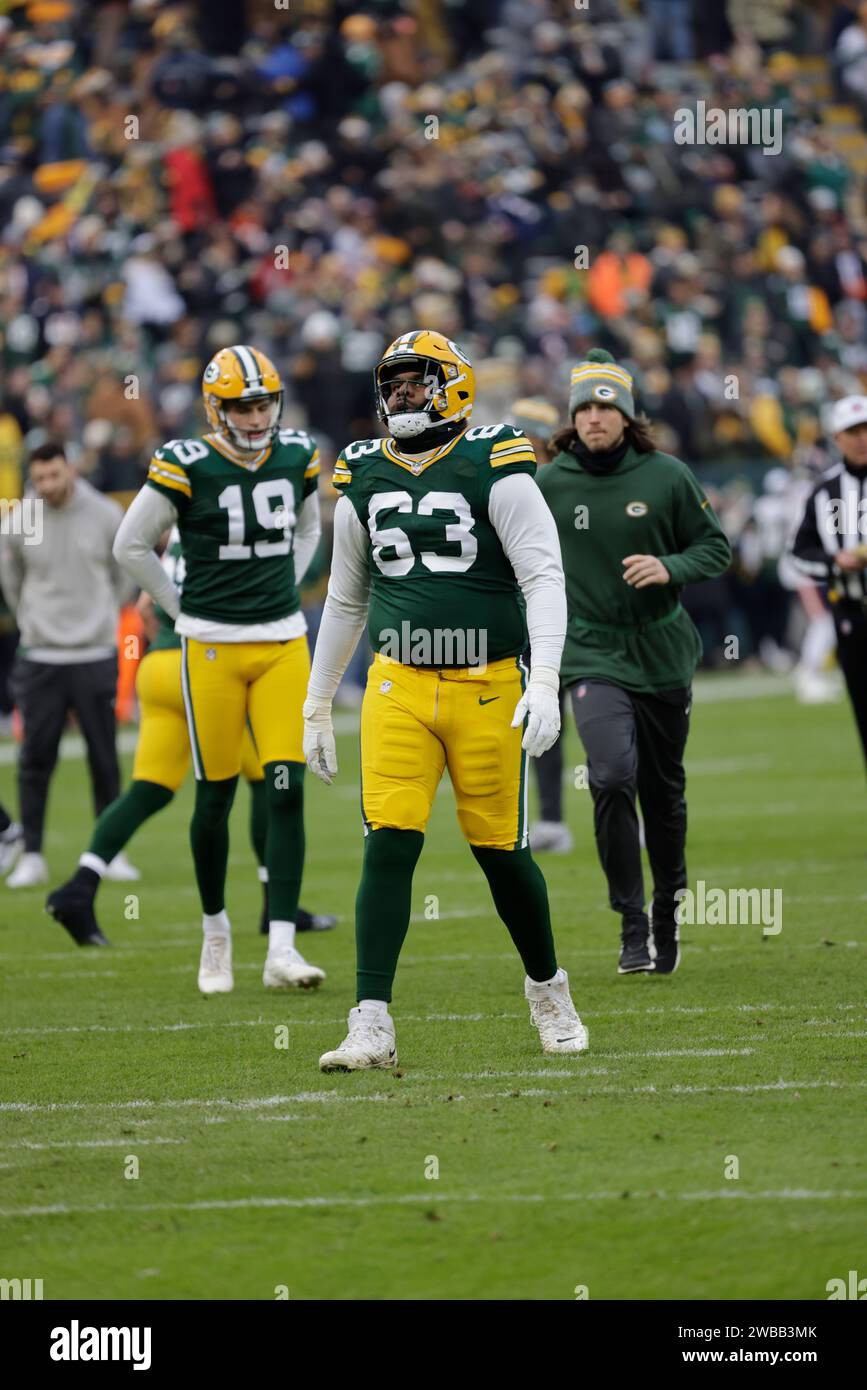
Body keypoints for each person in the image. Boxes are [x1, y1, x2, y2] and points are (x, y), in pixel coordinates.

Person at [302, 329, 588, 1070]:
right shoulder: (361, 471)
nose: (401, 396)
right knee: (387, 843)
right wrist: (315, 703)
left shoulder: (496, 460)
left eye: (414, 382)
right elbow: (343, 600)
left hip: (488, 684)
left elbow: (542, 578)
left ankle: (547, 988)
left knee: (501, 852)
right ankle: (370, 1020)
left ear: (451, 384)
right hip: (397, 683)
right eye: (392, 384)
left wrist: (547, 679)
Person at [111, 345, 326, 994]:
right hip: (209, 646)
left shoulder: (297, 455)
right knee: (215, 796)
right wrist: (182, 610)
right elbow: (129, 545)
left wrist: (285, 582)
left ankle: (282, 947)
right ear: (216, 407)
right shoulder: (186, 462)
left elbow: (311, 529)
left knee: (286, 787)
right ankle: (216, 932)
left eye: (264, 403)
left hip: (282, 641)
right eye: (243, 405)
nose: (258, 416)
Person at [537, 349, 731, 976]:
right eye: (585, 407)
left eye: (606, 405)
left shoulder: (668, 476)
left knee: (664, 794)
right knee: (611, 774)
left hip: (663, 648)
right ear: (573, 417)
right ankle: (630, 923)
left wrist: (668, 567)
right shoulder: (550, 484)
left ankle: (666, 913)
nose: (594, 417)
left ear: (627, 414)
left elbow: (715, 549)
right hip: (591, 651)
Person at [47, 528, 337, 946]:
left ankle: (79, 887)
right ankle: (277, 907)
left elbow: (145, 606)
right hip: (210, 667)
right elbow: (296, 574)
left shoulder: (192, 522)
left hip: (159, 666)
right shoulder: (240, 517)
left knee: (149, 789)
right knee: (265, 780)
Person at [0, 441, 139, 888]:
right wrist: (35, 621)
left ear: (71, 469)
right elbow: (12, 579)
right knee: (35, 758)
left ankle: (109, 851)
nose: (47, 486)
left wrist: (97, 620)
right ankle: (33, 854)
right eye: (39, 478)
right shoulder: (24, 517)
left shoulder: (104, 514)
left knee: (103, 756)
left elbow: (122, 578)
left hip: (94, 652)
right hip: (41, 655)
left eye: (54, 476)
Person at [507, 398, 573, 856]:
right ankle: (539, 818)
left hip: (571, 617)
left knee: (603, 721)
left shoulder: (567, 486)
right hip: (521, 618)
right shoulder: (505, 484)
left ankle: (634, 813)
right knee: (530, 719)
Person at [790, 394, 867, 773]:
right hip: (852, 616)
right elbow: (800, 552)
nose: (862, 438)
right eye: (853, 431)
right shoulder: (824, 492)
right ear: (837, 438)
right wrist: (836, 563)